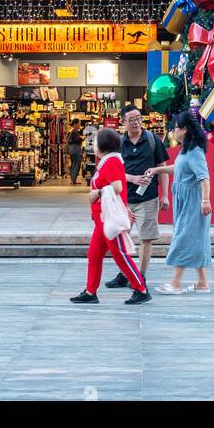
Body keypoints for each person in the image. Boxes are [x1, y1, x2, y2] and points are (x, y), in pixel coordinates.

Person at [70, 127, 150, 306]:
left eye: (95, 141)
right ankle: (91, 291)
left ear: (103, 144)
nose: (93, 144)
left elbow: (118, 187)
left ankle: (141, 288)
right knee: (94, 254)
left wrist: (97, 192)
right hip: (102, 219)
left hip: (108, 219)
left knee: (119, 254)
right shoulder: (106, 161)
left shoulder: (112, 161)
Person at [105, 104, 170, 290]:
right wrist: (132, 178)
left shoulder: (152, 140)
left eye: (139, 118)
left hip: (148, 198)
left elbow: (163, 167)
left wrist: (164, 195)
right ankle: (124, 273)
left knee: (146, 238)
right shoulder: (117, 144)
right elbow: (112, 172)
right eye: (131, 120)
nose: (136, 123)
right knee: (119, 237)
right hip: (122, 199)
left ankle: (140, 276)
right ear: (123, 122)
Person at [146, 111, 212, 295]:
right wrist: (157, 170)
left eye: (174, 128)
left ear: (184, 129)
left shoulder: (196, 151)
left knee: (183, 238)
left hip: (194, 202)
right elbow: (179, 168)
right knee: (196, 240)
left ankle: (175, 283)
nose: (172, 131)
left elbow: (204, 177)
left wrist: (205, 200)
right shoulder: (186, 149)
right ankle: (202, 283)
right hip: (184, 200)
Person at [66, 117, 84, 186]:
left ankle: (73, 179)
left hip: (72, 149)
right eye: (79, 124)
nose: (79, 125)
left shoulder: (71, 131)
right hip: (75, 148)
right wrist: (82, 138)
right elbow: (77, 140)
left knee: (73, 163)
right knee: (77, 163)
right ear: (75, 124)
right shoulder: (75, 131)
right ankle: (73, 180)